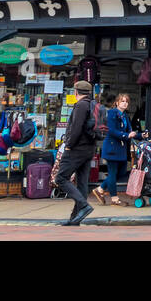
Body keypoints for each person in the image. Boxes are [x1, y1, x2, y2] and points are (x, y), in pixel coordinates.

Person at [53, 80, 97, 226]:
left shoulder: (80, 106)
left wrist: (68, 146)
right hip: (89, 149)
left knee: (60, 178)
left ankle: (83, 205)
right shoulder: (93, 105)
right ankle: (75, 218)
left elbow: (76, 128)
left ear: (76, 92)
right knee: (82, 183)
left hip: (76, 149)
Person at [93, 92, 136, 207]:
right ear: (117, 103)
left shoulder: (125, 116)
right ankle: (114, 198)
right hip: (112, 148)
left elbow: (129, 131)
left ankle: (100, 189)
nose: (125, 103)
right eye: (122, 101)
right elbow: (111, 130)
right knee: (112, 173)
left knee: (121, 172)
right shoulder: (112, 113)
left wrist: (141, 135)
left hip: (121, 149)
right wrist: (126, 136)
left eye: (127, 101)